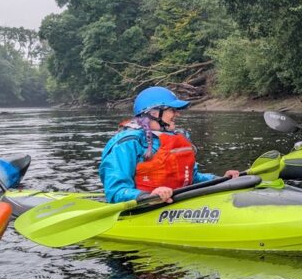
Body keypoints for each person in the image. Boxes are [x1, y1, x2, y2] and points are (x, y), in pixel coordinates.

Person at [99, 86, 240, 204]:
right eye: (172, 109)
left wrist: (219, 179)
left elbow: (192, 177)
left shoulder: (179, 138)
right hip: (143, 209)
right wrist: (148, 195)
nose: (177, 114)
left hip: (176, 202)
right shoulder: (128, 143)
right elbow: (115, 190)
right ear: (153, 113)